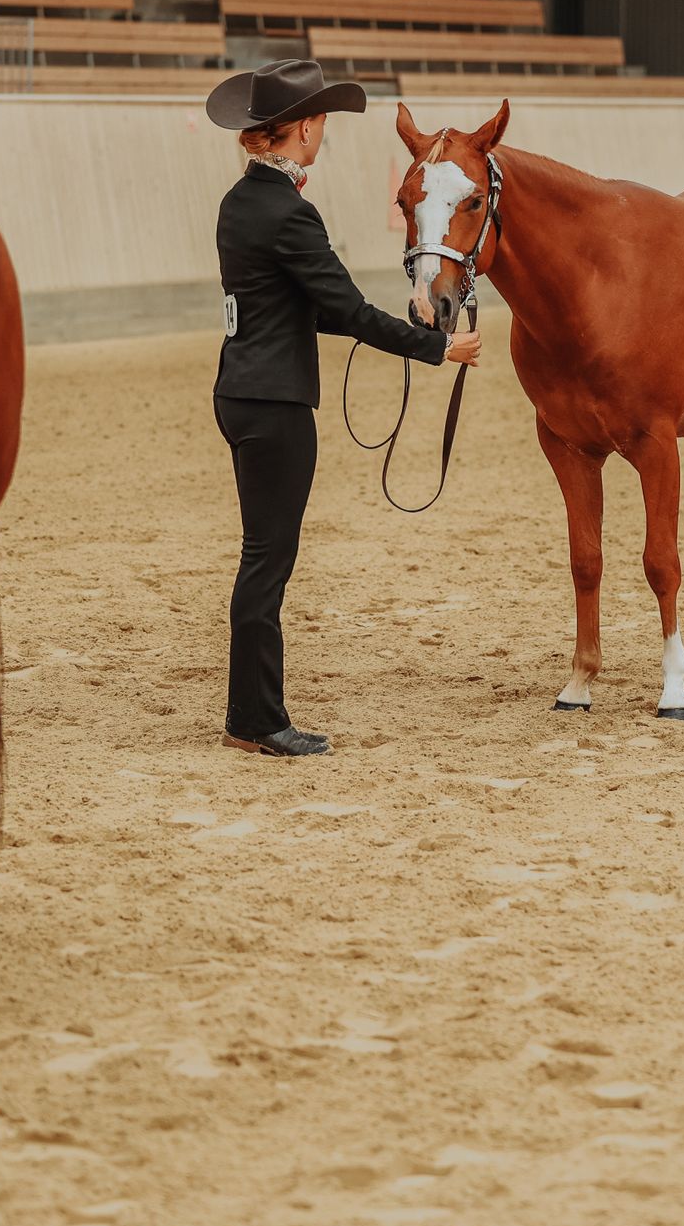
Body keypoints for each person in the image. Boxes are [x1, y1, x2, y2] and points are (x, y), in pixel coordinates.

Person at [207, 60, 484, 757]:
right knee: (268, 562)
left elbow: (312, 308)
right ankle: (257, 718)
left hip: (241, 390)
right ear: (302, 129)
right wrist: (436, 349)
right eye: (321, 123)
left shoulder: (240, 204)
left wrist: (411, 328)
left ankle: (253, 712)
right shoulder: (291, 214)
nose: (322, 135)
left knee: (261, 557)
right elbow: (347, 310)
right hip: (276, 404)